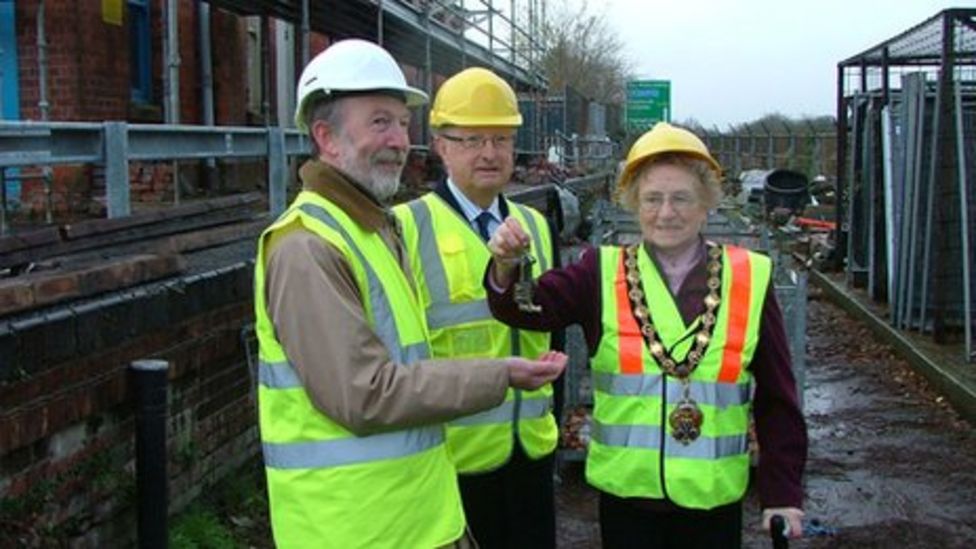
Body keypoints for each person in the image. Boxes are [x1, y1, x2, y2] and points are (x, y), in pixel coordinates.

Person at [253, 40, 566, 549]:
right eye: (380, 122)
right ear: (325, 137)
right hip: (353, 527)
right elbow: (364, 394)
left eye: (402, 123)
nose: (399, 139)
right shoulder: (308, 247)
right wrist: (501, 375)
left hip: (417, 511)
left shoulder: (372, 231)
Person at [485, 122, 807, 548]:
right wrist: (508, 266)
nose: (666, 213)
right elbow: (521, 309)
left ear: (706, 203)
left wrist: (781, 494)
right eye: (652, 199)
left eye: (681, 198)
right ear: (635, 203)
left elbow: (777, 397)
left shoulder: (749, 276)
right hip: (627, 504)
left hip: (713, 504)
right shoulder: (597, 272)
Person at [393, 67, 559, 549]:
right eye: (471, 140)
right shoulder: (406, 227)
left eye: (501, 139)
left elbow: (547, 329)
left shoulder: (535, 223)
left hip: (531, 452)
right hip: (451, 457)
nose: (489, 153)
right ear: (440, 145)